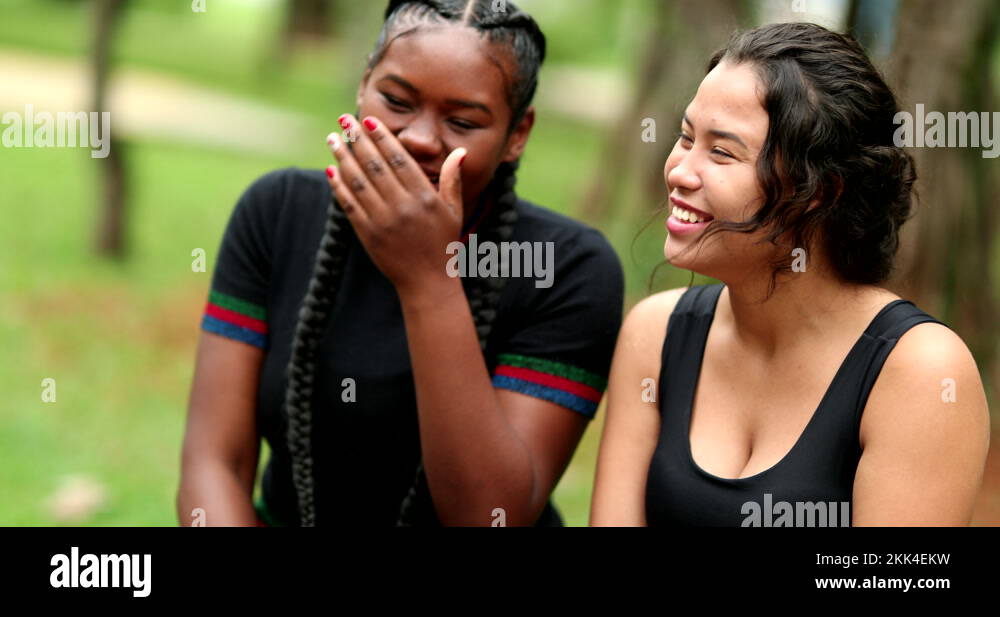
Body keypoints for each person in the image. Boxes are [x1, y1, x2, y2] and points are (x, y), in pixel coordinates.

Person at [176, 0, 624, 527]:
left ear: (517, 135)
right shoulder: (276, 213)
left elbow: (491, 516)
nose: (419, 138)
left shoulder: (568, 269)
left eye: (462, 121)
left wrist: (429, 280)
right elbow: (214, 463)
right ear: (363, 85)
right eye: (395, 100)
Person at [590, 22, 990, 526]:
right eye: (686, 137)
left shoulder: (919, 374)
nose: (679, 171)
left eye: (722, 151)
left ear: (821, 192)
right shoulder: (657, 334)